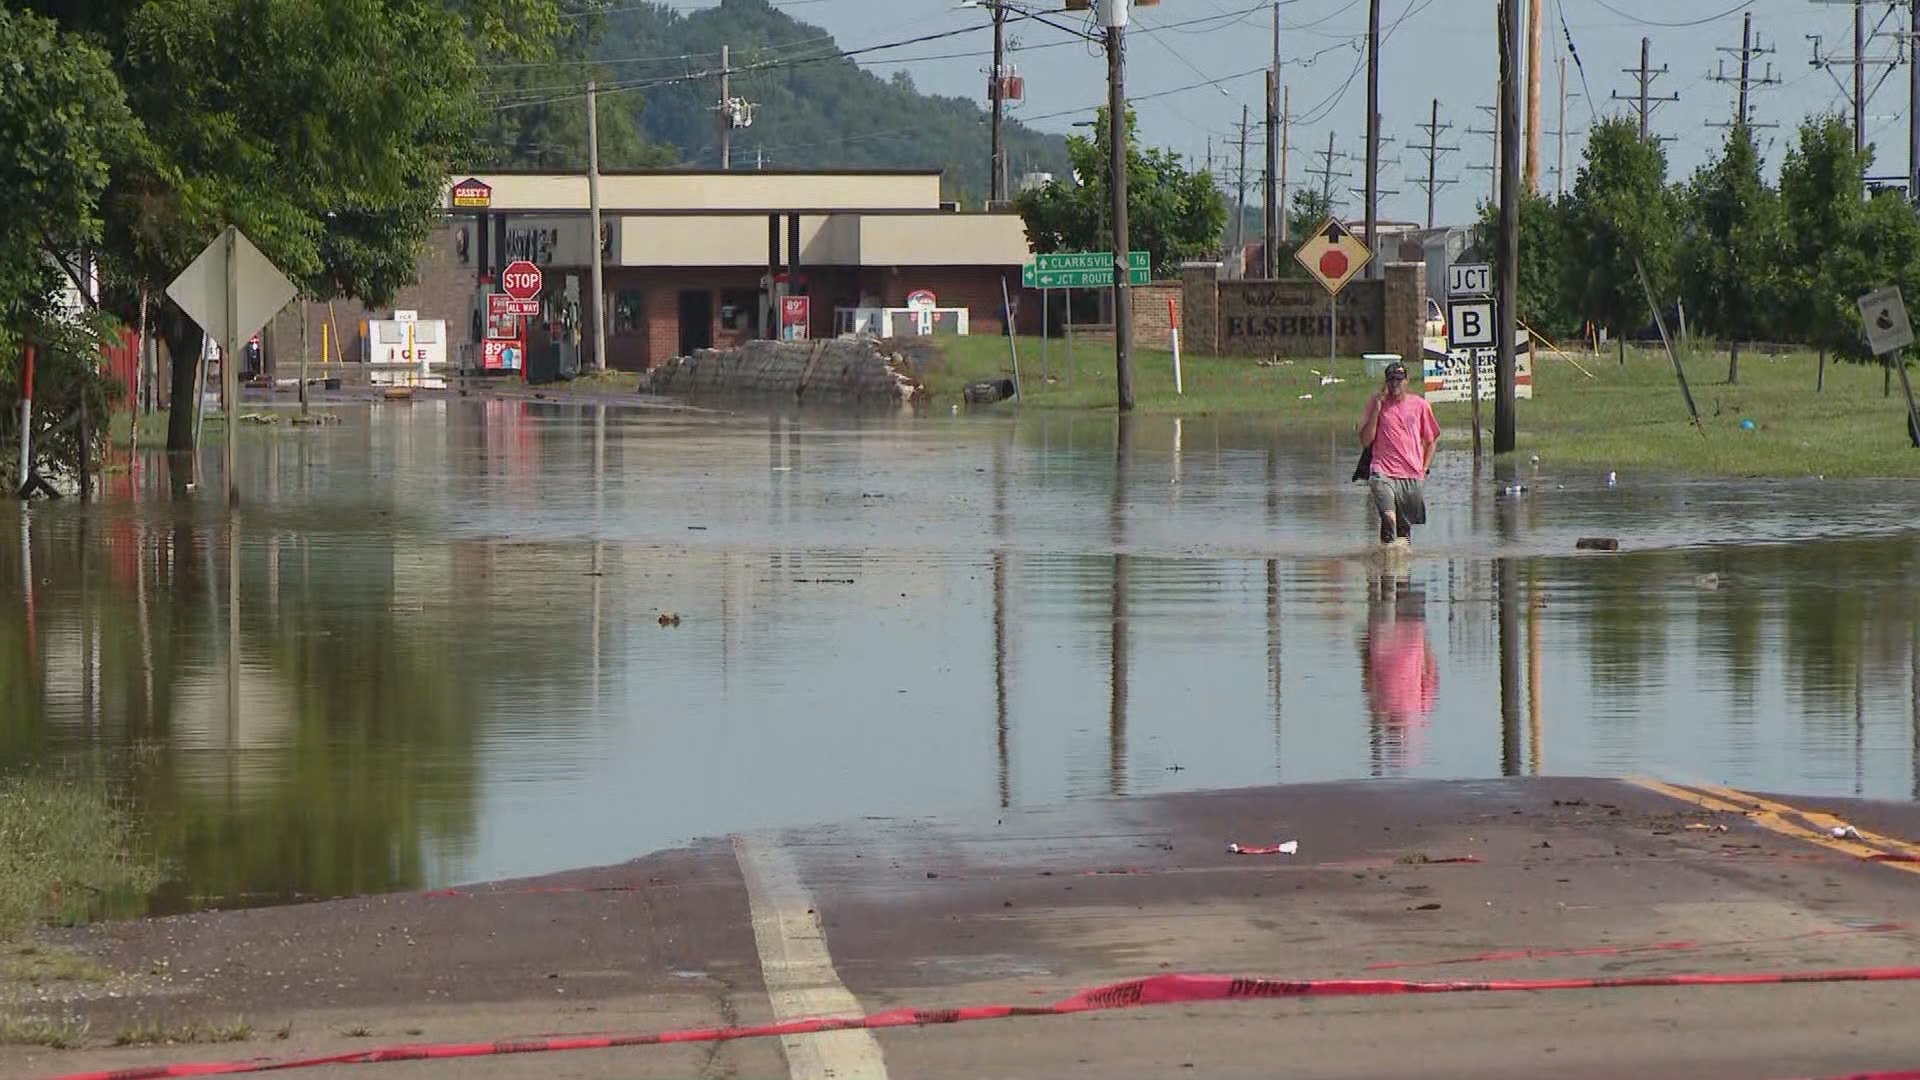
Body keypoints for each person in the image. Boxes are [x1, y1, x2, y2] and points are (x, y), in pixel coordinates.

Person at [1357, 360, 1439, 546]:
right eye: (1391, 380)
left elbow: (1431, 441)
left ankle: (1400, 570)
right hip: (1382, 471)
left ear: (1406, 380)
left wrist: (1423, 469)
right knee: (1388, 519)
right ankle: (1387, 563)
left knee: (1403, 529)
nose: (1395, 384)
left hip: (1411, 473)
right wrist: (1377, 411)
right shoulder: (1376, 403)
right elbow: (1365, 440)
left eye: (1399, 380)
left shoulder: (1420, 405)